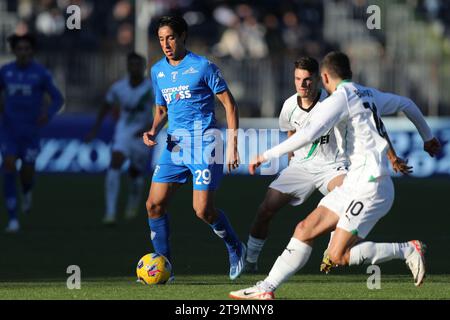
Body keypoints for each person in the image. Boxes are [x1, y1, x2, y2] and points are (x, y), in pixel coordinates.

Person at [230, 51, 441, 299]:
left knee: (337, 256)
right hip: (354, 183)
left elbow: (306, 135)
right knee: (304, 228)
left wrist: (265, 155)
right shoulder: (368, 93)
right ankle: (265, 289)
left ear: (325, 77)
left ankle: (406, 250)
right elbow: (407, 104)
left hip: (371, 185)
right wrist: (428, 138)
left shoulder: (339, 99)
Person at [244, 56, 410, 273]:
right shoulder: (288, 106)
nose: (302, 84)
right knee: (266, 209)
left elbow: (370, 127)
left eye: (307, 80)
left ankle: (334, 250)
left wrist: (391, 155)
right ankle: (251, 261)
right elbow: (292, 134)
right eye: (297, 79)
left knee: (349, 195)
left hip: (333, 166)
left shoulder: (334, 100)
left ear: (319, 79)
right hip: (301, 167)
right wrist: (289, 163)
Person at [142, 15, 245, 280]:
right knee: (153, 205)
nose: (166, 44)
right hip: (174, 145)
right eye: (161, 39)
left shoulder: (202, 67)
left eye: (171, 37)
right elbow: (163, 107)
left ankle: (235, 247)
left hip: (205, 144)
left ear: (183, 36)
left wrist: (232, 146)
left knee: (203, 211)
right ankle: (164, 266)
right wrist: (154, 128)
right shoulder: (157, 71)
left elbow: (229, 105)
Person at [0, 34, 64, 233]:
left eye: (27, 49)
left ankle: (27, 191)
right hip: (9, 129)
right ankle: (12, 219)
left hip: (30, 132)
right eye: (20, 49)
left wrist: (48, 113)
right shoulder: (5, 72)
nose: (23, 52)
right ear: (14, 51)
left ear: (32, 51)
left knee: (26, 174)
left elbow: (57, 98)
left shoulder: (41, 74)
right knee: (8, 166)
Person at [86, 52, 153, 225]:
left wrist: (150, 129)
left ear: (143, 67)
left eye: (138, 65)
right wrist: (95, 129)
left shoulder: (151, 88)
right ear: (128, 66)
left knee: (135, 173)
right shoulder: (118, 87)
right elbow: (106, 106)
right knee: (115, 162)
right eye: (132, 64)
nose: (135, 68)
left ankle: (133, 202)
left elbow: (164, 111)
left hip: (142, 135)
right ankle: (110, 212)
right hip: (123, 132)